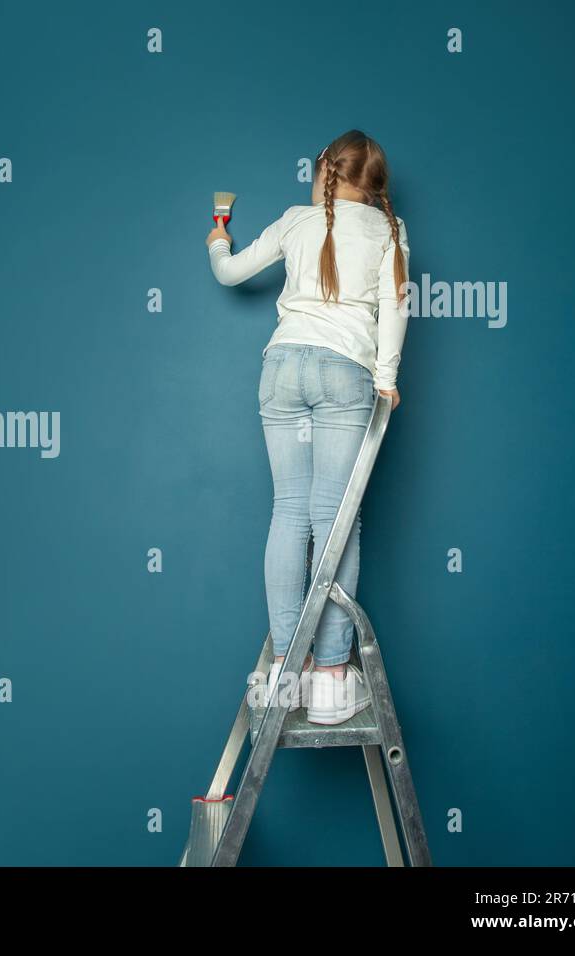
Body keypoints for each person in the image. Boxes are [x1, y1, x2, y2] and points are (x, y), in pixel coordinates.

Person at [205, 129, 410, 725]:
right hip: (346, 373)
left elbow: (232, 273)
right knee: (335, 517)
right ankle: (326, 677)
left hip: (282, 368)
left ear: (325, 168)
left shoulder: (295, 219)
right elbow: (395, 308)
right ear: (373, 187)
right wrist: (387, 376)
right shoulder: (389, 232)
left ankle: (281, 675)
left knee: (289, 511)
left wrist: (219, 243)